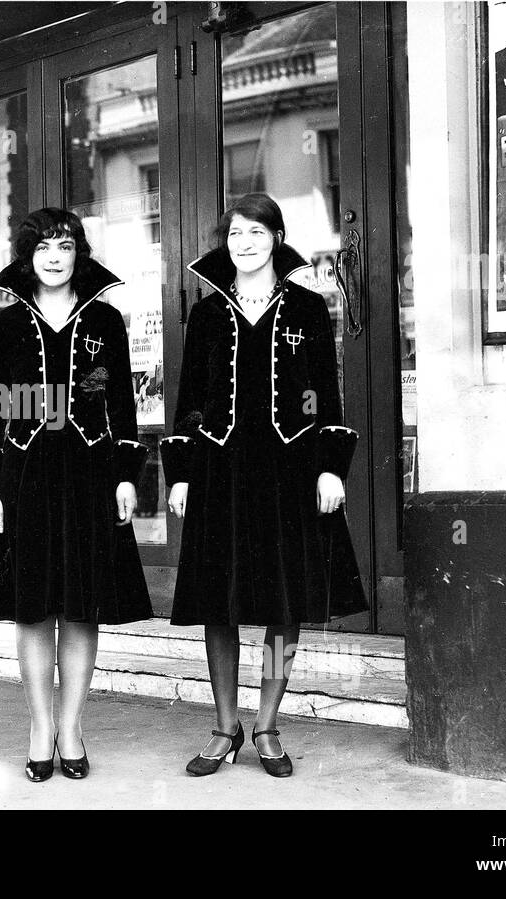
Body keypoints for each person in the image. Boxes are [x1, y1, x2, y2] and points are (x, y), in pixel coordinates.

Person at [162, 194, 366, 779]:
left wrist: (330, 467)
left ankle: (268, 724)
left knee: (284, 606)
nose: (244, 243)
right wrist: (182, 477)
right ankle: (224, 727)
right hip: (220, 475)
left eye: (256, 232)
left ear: (277, 238)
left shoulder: (306, 309)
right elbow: (190, 403)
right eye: (234, 234)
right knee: (217, 607)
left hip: (289, 475)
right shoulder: (206, 316)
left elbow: (323, 395)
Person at [0, 208, 151, 782]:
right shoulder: (4, 328)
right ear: (28, 256)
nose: (53, 255)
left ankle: (72, 726)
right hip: (25, 478)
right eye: (42, 245)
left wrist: (125, 475)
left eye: (64, 245)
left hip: (90, 476)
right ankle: (40, 725)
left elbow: (123, 405)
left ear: (79, 254)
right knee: (34, 605)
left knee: (80, 605)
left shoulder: (106, 321)